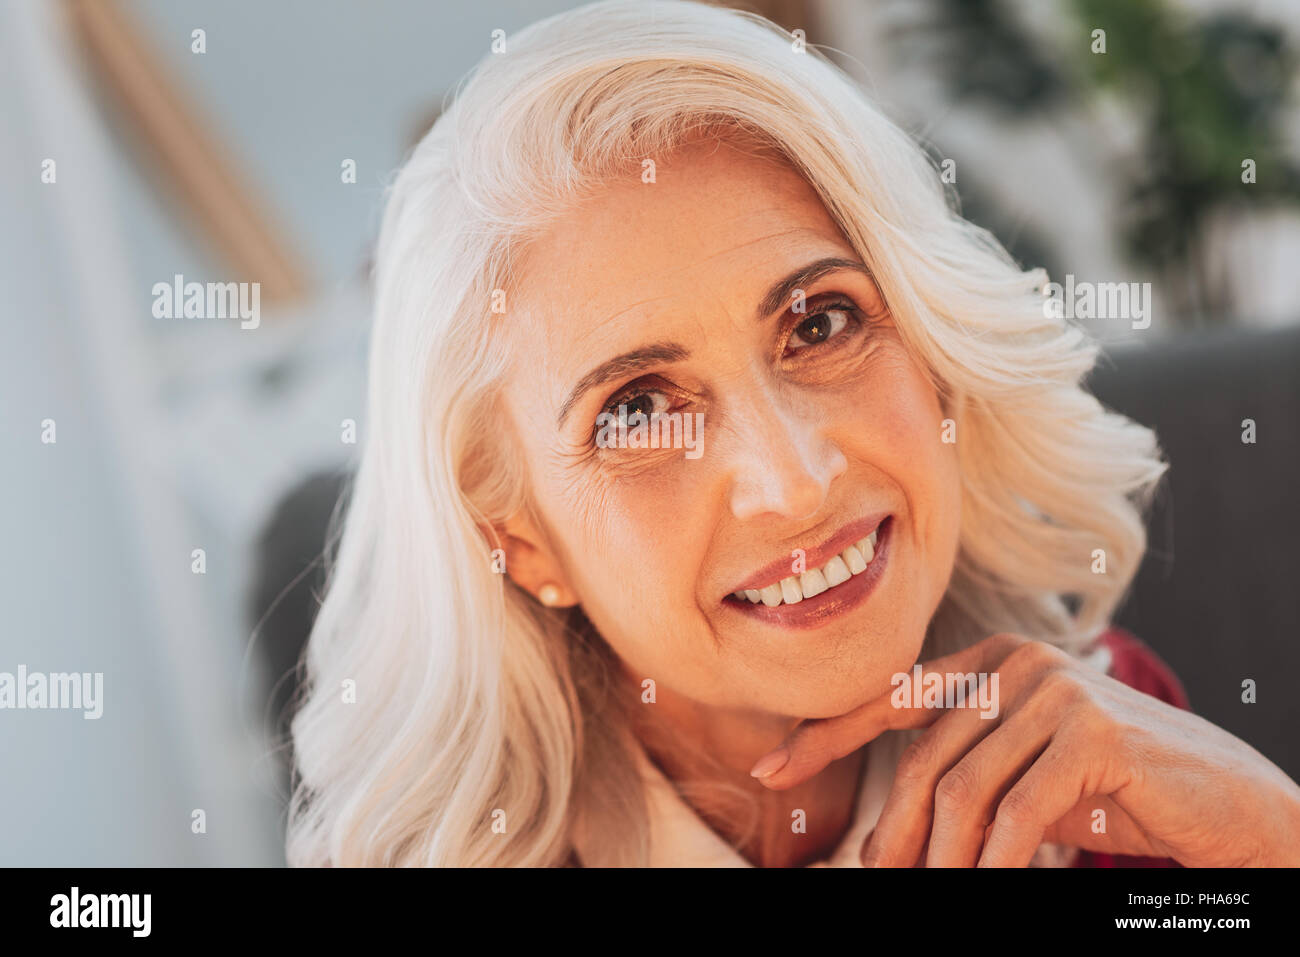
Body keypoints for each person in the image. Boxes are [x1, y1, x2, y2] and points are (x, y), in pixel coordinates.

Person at [286, 0, 1300, 867]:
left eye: (820, 324)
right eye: (636, 409)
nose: (795, 481)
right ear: (517, 539)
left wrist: (1271, 837)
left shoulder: (1098, 738)